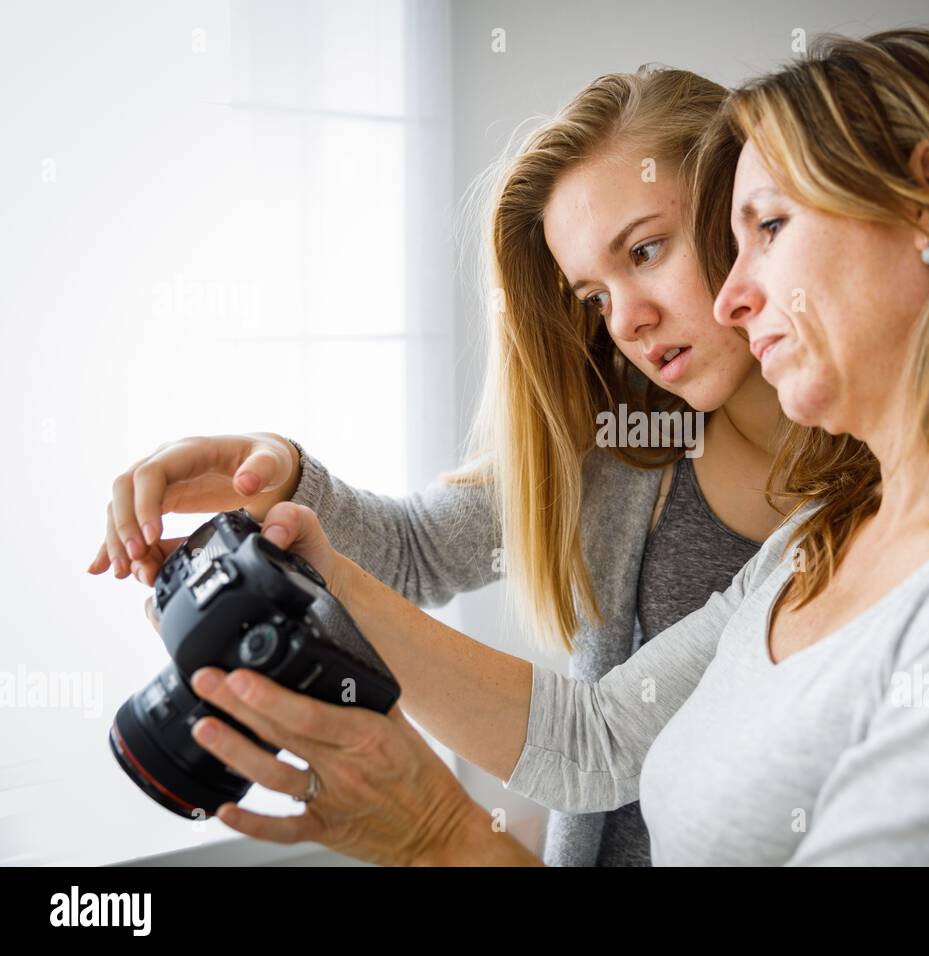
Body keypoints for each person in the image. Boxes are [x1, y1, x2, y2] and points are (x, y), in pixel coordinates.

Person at [126, 28, 929, 866]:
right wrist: (300, 520)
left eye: (762, 228)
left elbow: (594, 735)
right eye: (591, 294)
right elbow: (589, 729)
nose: (730, 294)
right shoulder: (816, 540)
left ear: (928, 205)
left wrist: (439, 832)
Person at [88, 66, 797, 867]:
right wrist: (285, 479)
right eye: (593, 296)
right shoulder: (636, 440)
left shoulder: (871, 512)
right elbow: (421, 552)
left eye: (646, 250)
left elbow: (597, 743)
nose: (627, 321)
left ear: (745, 209)